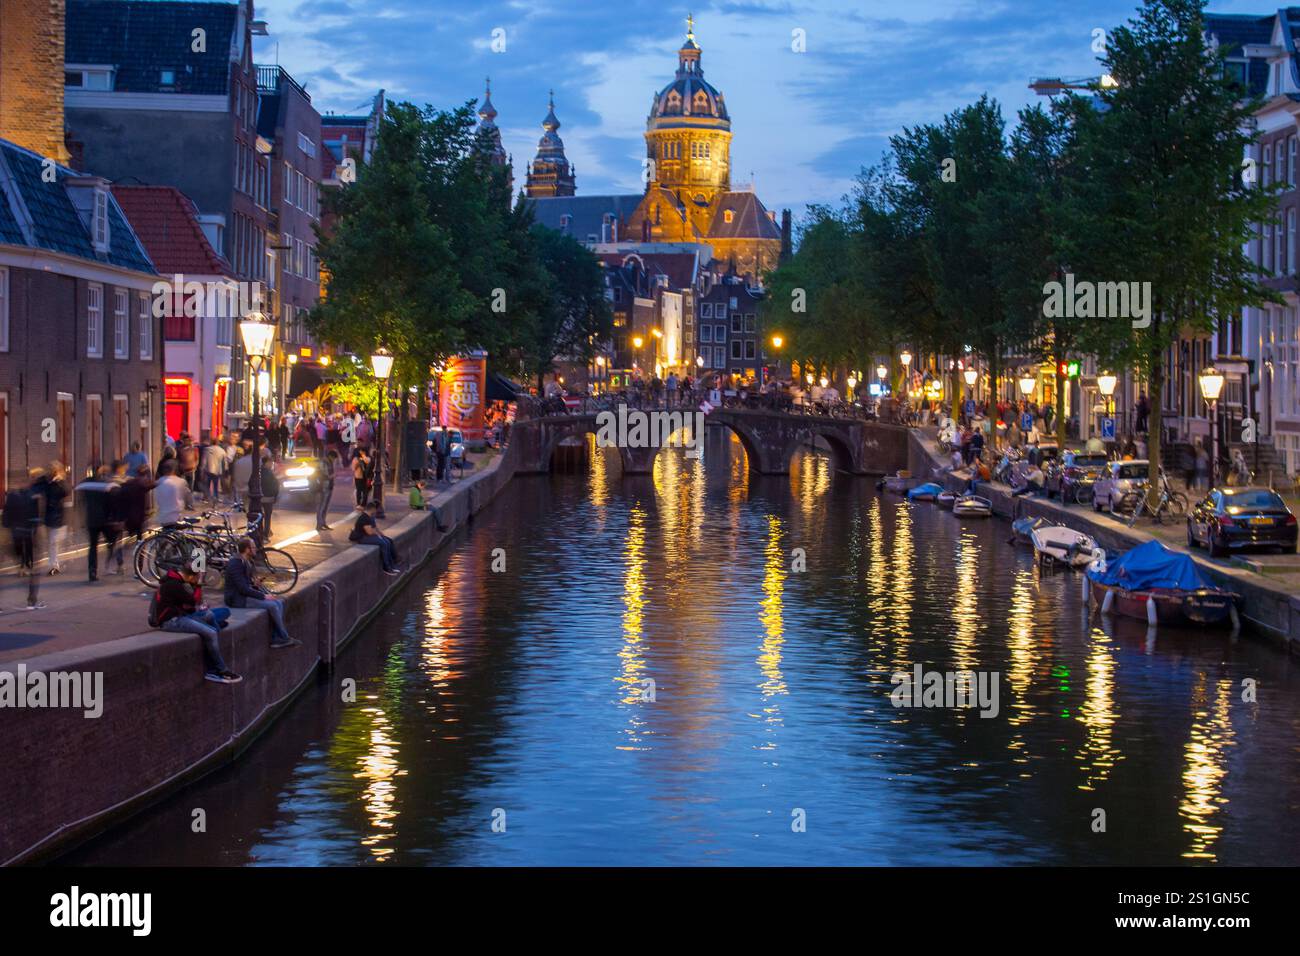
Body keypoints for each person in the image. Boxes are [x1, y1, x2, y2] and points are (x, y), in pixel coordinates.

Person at [151, 564, 239, 684]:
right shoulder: (174, 584)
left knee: (209, 615)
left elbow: (187, 606)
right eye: (196, 578)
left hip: (181, 615)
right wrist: (198, 585)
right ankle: (217, 670)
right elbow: (193, 600)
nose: (197, 581)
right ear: (192, 577)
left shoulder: (175, 580)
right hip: (172, 621)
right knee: (211, 633)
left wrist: (199, 609)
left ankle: (215, 629)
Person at [224, 537, 299, 648]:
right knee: (272, 605)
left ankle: (276, 637)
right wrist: (263, 596)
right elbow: (242, 589)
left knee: (279, 603)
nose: (256, 549)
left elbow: (246, 585)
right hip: (237, 599)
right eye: (253, 547)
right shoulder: (236, 564)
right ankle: (284, 637)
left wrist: (255, 585)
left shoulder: (246, 561)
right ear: (247, 550)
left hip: (243, 595)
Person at [3, 469, 45, 610]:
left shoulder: (11, 496)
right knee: (35, 569)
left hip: (16, 536)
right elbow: (37, 518)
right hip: (30, 536)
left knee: (18, 566)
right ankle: (31, 601)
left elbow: (6, 519)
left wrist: (8, 532)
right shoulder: (33, 496)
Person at [77, 465, 122, 583]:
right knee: (112, 541)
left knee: (93, 546)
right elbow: (112, 502)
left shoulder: (85, 485)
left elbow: (82, 500)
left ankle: (92, 571)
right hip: (104, 519)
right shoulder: (106, 484)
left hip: (91, 519)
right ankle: (111, 564)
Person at [350, 500, 402, 574]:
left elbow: (373, 529)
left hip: (365, 536)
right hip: (361, 538)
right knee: (383, 543)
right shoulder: (364, 518)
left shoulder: (368, 516)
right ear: (373, 509)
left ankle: (391, 565)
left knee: (387, 541)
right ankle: (386, 567)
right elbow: (370, 532)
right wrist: (378, 535)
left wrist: (380, 534)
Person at [37, 462, 68, 575]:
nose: (52, 473)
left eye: (54, 470)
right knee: (52, 543)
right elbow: (39, 487)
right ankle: (55, 563)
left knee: (54, 542)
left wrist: (59, 481)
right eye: (51, 470)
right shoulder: (47, 482)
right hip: (49, 516)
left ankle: (54, 566)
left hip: (58, 517)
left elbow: (66, 492)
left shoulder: (61, 482)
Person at [153, 459, 193, 527]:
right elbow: (189, 499)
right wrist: (188, 504)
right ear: (174, 469)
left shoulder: (158, 482)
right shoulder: (181, 482)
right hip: (175, 517)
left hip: (162, 518)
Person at [259, 449, 280, 540]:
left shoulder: (259, 472)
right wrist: (275, 495)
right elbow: (275, 485)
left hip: (260, 496)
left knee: (260, 516)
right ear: (266, 463)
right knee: (267, 516)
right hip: (268, 497)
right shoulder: (269, 473)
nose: (271, 464)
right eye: (270, 462)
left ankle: (262, 532)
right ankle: (266, 533)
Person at [315, 450, 338, 531]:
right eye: (334, 458)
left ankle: (323, 523)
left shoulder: (329, 462)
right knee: (322, 506)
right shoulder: (323, 462)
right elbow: (324, 475)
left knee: (326, 506)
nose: (334, 460)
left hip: (329, 486)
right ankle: (319, 524)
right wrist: (333, 476)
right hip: (323, 486)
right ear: (331, 456)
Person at [200, 437, 226, 504]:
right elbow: (224, 462)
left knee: (207, 485)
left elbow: (204, 461)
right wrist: (225, 469)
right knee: (216, 485)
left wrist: (202, 469)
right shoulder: (222, 450)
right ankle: (216, 497)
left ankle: (206, 497)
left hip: (208, 470)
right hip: (217, 471)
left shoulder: (207, 449)